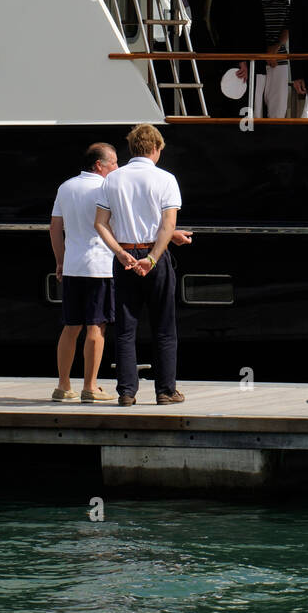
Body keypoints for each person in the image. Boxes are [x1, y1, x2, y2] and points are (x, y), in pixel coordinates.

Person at [94, 123, 190, 406]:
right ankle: (165, 390)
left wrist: (121, 253)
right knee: (163, 327)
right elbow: (167, 224)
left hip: (124, 257)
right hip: (154, 258)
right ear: (156, 148)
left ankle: (126, 392)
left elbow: (100, 224)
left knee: (124, 328)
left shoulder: (112, 179)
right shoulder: (166, 179)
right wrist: (152, 258)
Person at [50, 143, 118, 404]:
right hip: (99, 265)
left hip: (72, 266)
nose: (117, 167)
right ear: (99, 165)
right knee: (96, 326)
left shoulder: (65, 187)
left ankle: (63, 384)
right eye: (113, 163)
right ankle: (90, 386)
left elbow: (55, 227)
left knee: (70, 327)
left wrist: (60, 261)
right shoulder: (106, 188)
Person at [210, 0, 267, 98]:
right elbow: (230, 23)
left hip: (248, 61)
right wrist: (239, 58)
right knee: (243, 113)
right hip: (242, 65)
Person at [253, 0, 290, 118]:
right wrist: (264, 52)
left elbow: (288, 25)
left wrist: (275, 49)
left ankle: (277, 142)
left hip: (279, 60)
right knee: (254, 110)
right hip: (255, 59)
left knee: (278, 109)